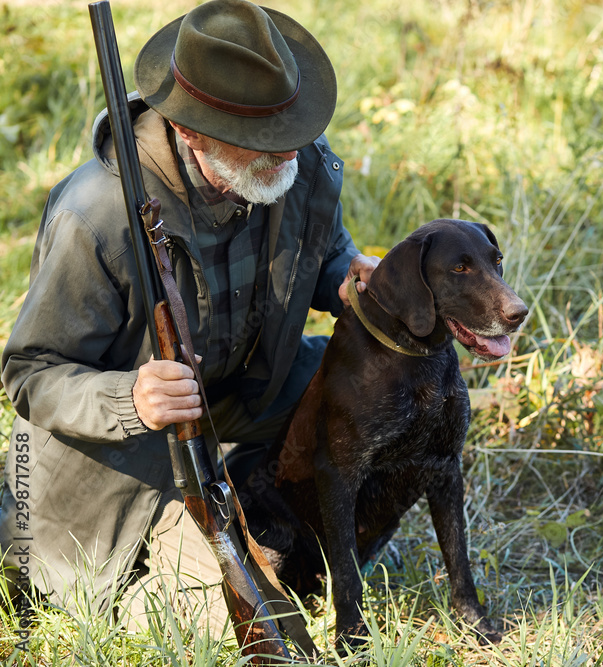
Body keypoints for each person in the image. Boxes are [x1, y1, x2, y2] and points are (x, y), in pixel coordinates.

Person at [0, 0, 377, 635]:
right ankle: (138, 578)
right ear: (193, 131)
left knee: (378, 395)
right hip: (131, 458)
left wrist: (349, 275)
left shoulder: (291, 162)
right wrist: (132, 398)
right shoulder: (96, 216)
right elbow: (31, 374)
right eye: (261, 138)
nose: (287, 151)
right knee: (214, 625)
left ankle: (300, 524)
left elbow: (321, 252)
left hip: (239, 403)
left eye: (288, 126)